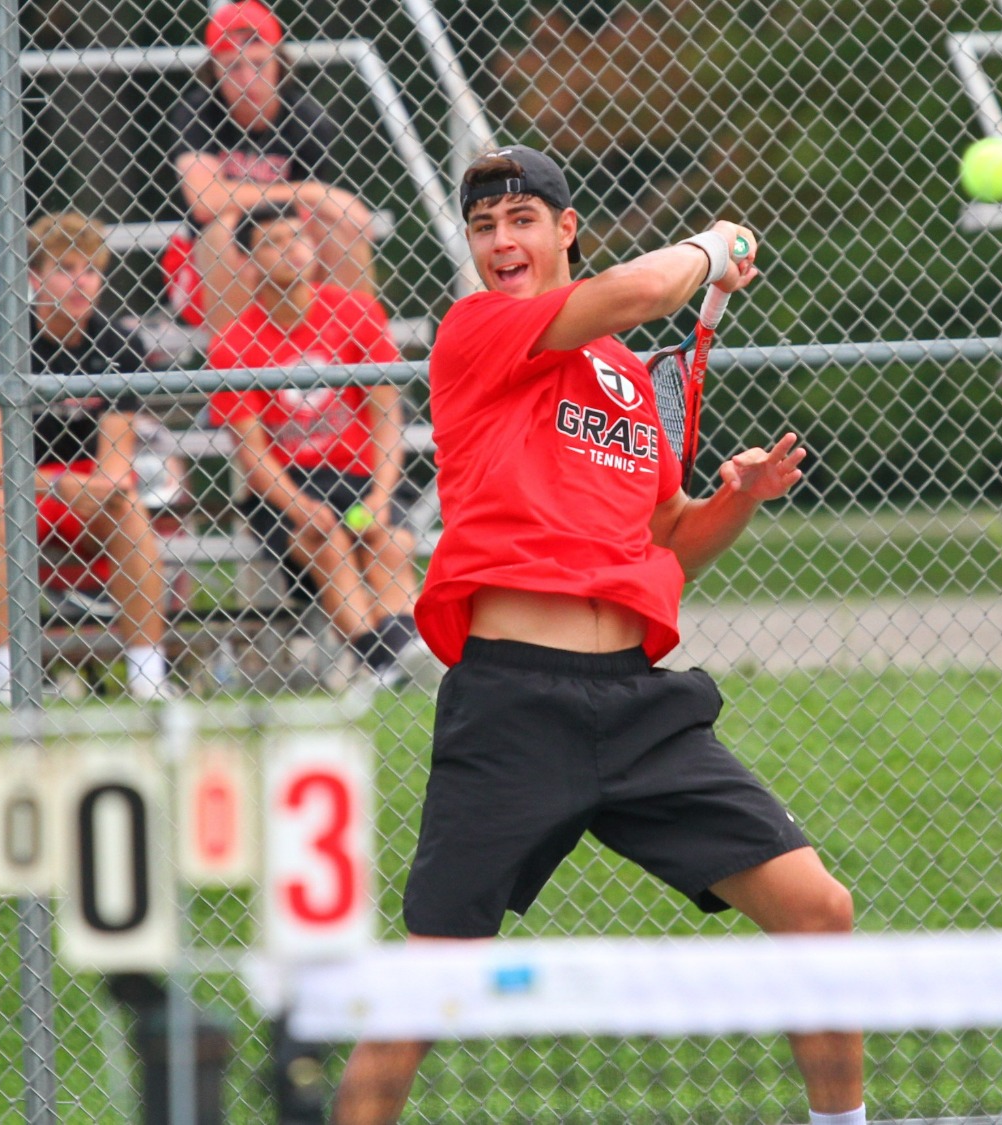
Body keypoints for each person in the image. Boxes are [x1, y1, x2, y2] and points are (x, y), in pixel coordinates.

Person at [330, 146, 867, 1125]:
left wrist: (736, 501)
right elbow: (640, 290)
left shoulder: (627, 383)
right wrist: (713, 244)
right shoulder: (479, 330)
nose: (501, 242)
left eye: (523, 221)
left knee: (817, 910)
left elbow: (666, 548)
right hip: (508, 706)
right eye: (484, 226)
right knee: (422, 989)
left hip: (635, 704)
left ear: (563, 229)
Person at [206, 202, 425, 685]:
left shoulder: (356, 311)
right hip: (289, 485)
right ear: (249, 261)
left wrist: (381, 495)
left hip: (362, 475)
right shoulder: (234, 341)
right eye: (273, 242)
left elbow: (388, 415)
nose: (291, 249)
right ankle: (392, 662)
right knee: (324, 540)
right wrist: (300, 505)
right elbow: (253, 453)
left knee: (387, 541)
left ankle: (400, 658)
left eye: (297, 236)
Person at [0, 213, 177, 703]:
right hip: (19, 483)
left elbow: (116, 459)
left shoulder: (118, 341)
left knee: (130, 513)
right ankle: (8, 678)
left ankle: (147, 675)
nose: (81, 282)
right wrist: (58, 485)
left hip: (87, 483)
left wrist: (96, 488)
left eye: (91, 270)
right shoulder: (5, 342)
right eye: (65, 268)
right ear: (35, 278)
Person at [168, 0, 378, 333]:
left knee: (339, 231)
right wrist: (308, 191)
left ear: (279, 63)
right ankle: (231, 366)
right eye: (232, 67)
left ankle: (354, 349)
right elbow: (205, 201)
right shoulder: (198, 113)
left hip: (284, 247)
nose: (247, 79)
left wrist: (321, 206)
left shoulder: (306, 118)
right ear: (214, 71)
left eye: (258, 63)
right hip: (207, 260)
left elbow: (310, 217)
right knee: (225, 228)